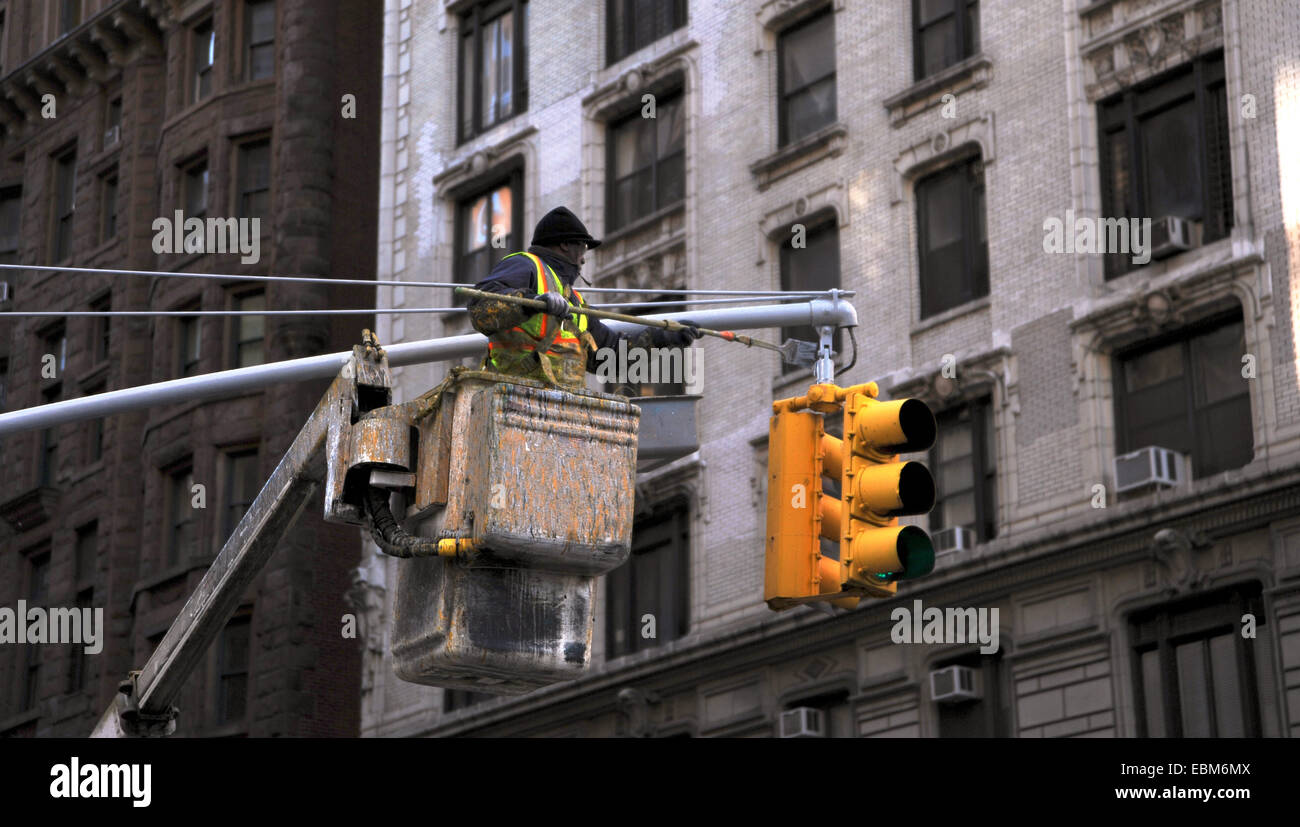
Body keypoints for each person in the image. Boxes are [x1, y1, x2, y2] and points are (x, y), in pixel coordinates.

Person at [467, 206, 701, 389]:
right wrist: (532, 302)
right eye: (583, 248)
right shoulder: (526, 266)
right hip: (514, 399)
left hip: (558, 411)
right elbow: (481, 306)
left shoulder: (575, 303)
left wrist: (662, 338)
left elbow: (608, 356)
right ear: (565, 245)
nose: (584, 259)